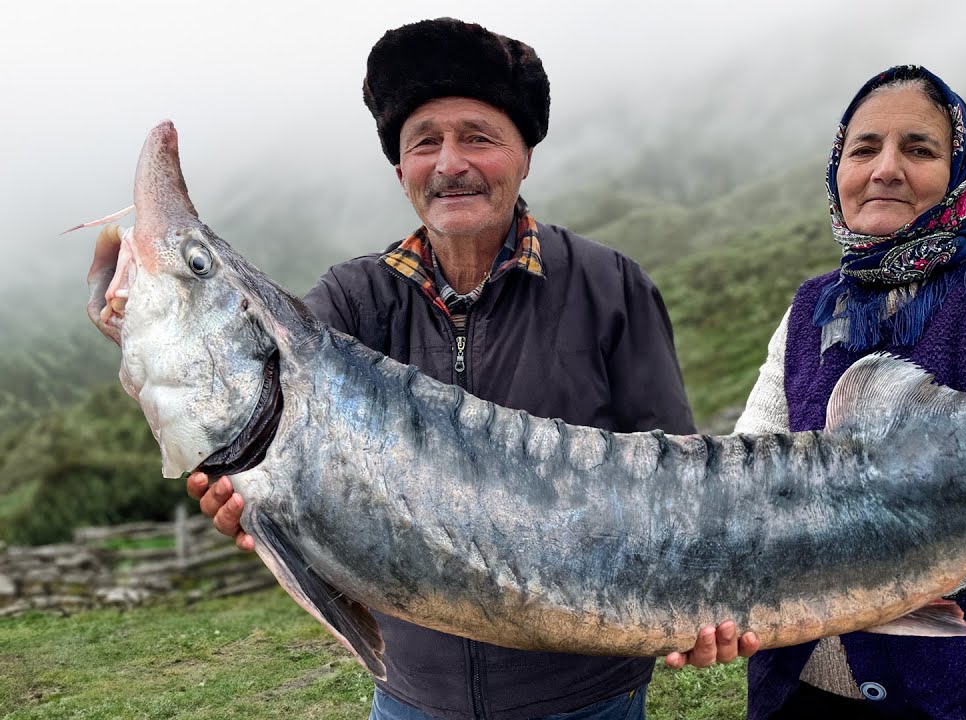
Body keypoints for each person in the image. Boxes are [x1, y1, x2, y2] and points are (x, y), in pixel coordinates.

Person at [186, 17, 756, 720]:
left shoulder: (612, 287)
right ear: (402, 172)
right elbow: (277, 446)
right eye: (425, 142)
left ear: (523, 157)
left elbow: (675, 487)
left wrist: (702, 610)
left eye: (478, 137)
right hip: (413, 696)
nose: (450, 162)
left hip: (586, 697)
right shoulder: (348, 301)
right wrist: (254, 501)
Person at [733, 65, 966, 718]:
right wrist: (717, 587)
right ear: (838, 169)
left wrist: (803, 579)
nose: (885, 169)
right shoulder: (810, 306)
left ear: (959, 170)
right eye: (864, 148)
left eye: (918, 149)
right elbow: (750, 467)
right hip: (797, 691)